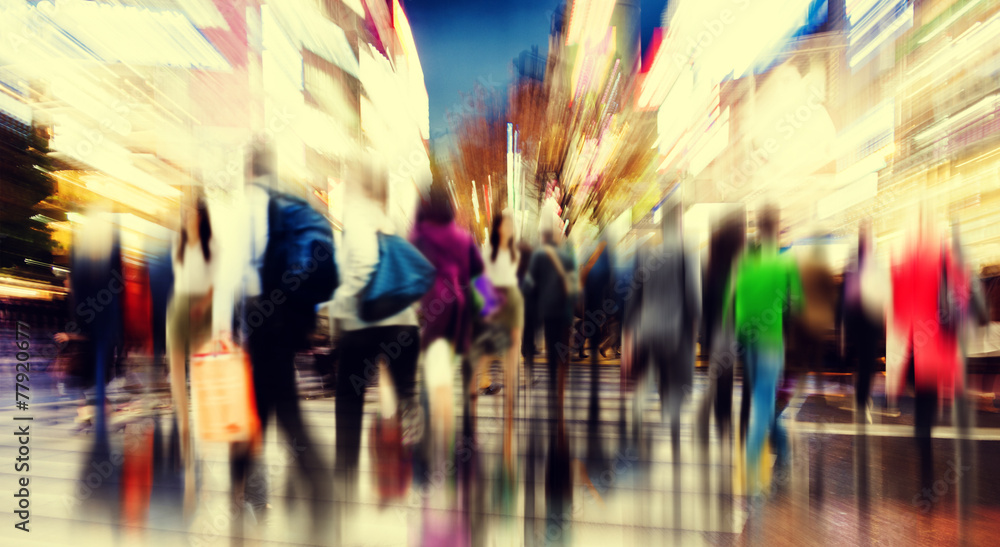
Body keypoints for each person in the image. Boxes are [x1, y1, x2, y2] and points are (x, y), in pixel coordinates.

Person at [230, 143, 331, 537]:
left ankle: (252, 494)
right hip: (284, 318)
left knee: (260, 411)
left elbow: (236, 273)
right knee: (275, 407)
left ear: (245, 169)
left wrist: (233, 328)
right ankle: (257, 493)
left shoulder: (243, 209)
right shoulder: (286, 207)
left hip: (257, 316)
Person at [331, 156, 420, 506]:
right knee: (404, 401)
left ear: (362, 186)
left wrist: (341, 307)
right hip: (404, 326)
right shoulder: (393, 217)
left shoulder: (357, 215)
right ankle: (410, 472)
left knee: (349, 400)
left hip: (367, 323)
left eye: (351, 179)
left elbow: (362, 266)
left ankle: (345, 480)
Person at [728, 204, 803, 496]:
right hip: (773, 340)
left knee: (763, 401)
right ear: (777, 226)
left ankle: (782, 454)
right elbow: (797, 304)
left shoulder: (745, 261)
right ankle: (750, 469)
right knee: (764, 404)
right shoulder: (785, 261)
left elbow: (734, 301)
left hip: (747, 342)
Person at [410, 182, 484, 474]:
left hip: (433, 313)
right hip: (459, 315)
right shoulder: (463, 238)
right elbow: (479, 273)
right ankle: (450, 444)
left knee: (433, 378)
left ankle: (437, 449)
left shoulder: (418, 237)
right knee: (447, 376)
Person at [165, 196, 217, 514]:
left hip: (202, 311)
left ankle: (199, 428)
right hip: (179, 307)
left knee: (199, 378)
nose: (185, 217)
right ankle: (184, 426)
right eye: (182, 213)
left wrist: (205, 307)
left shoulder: (213, 247)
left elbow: (215, 283)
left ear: (201, 216)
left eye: (189, 213)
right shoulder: (179, 244)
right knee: (176, 373)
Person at [483, 209, 525, 470]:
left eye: (511, 225)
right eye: (505, 225)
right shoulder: (488, 252)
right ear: (497, 227)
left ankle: (511, 393)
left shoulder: (514, 252)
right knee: (491, 349)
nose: (508, 229)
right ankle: (487, 381)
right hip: (494, 305)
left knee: (512, 349)